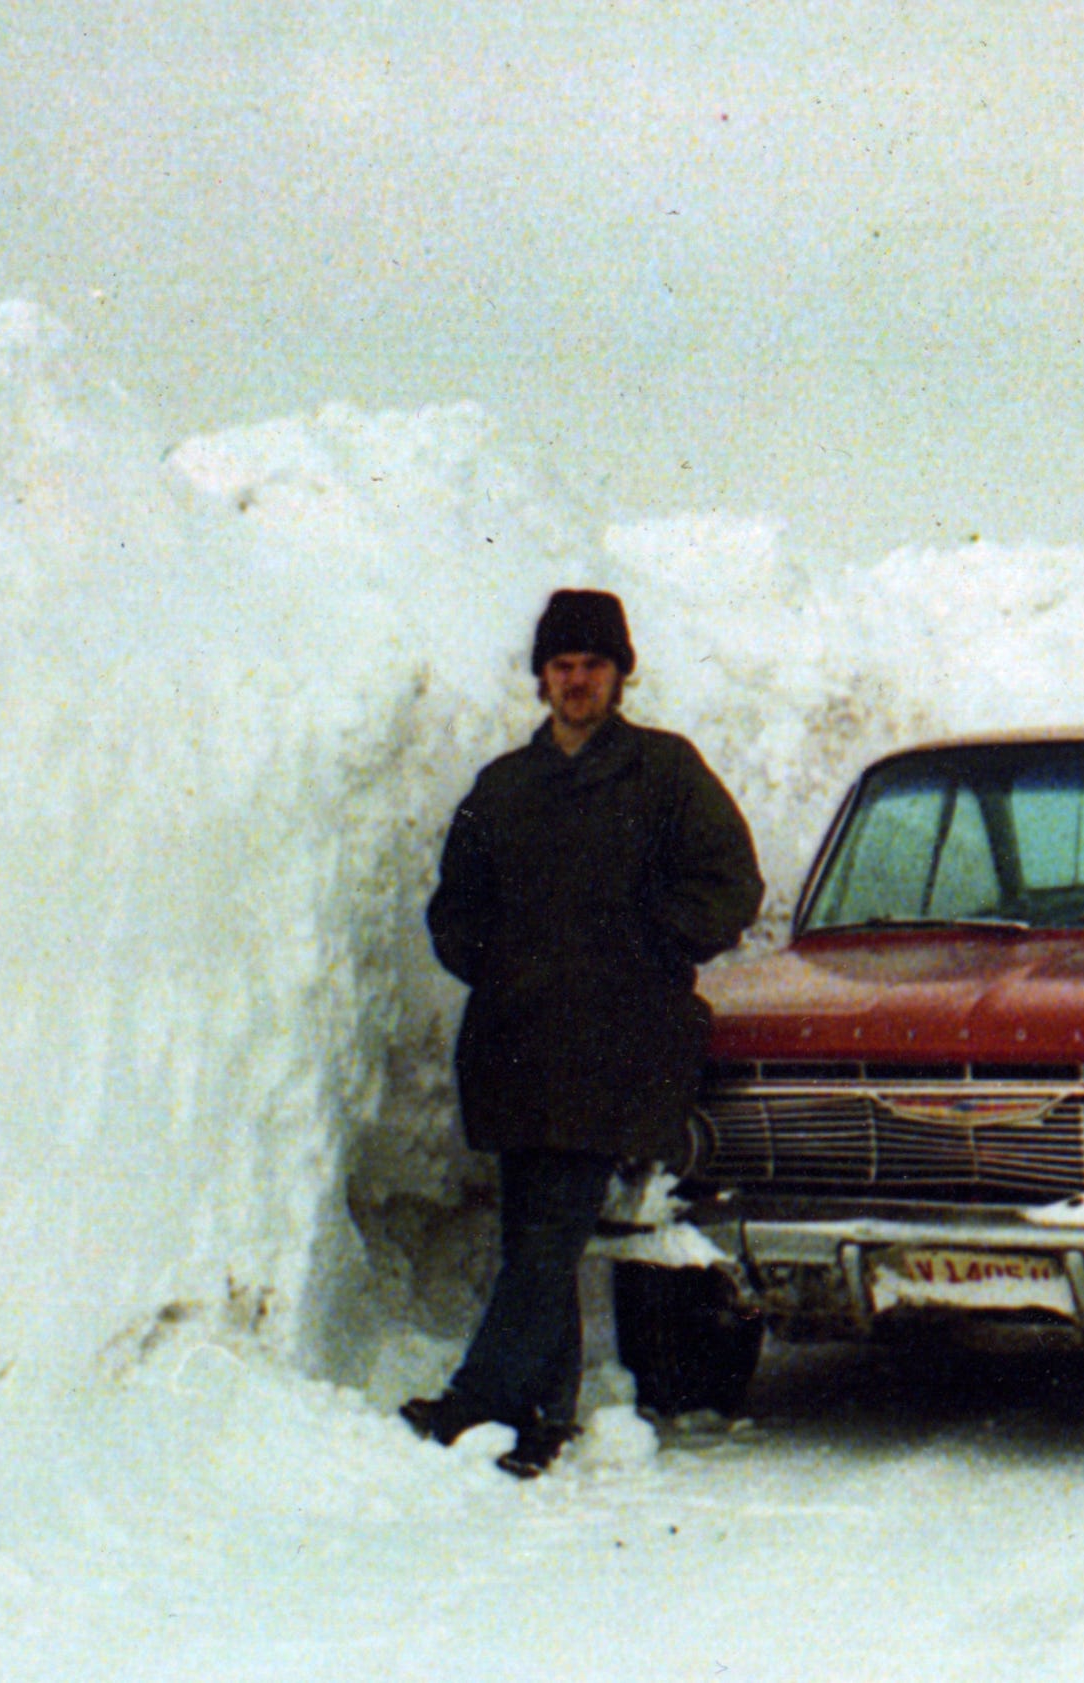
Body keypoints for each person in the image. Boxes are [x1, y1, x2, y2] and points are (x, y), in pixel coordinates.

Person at [405, 589, 764, 1478]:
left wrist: (652, 940)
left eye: (592, 666)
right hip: (518, 1043)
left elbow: (731, 882)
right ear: (542, 678)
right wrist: (494, 961)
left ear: (620, 674)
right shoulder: (504, 787)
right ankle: (545, 1416)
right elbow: (455, 907)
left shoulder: (665, 772)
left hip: (621, 1045)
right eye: (562, 666)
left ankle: (478, 1395)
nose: (576, 681)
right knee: (538, 1232)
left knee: (551, 1226)